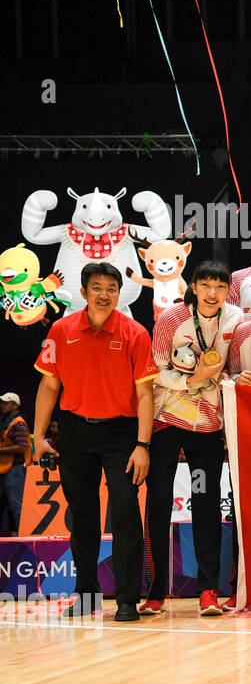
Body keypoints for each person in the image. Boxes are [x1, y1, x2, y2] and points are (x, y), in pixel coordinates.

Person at [31, 261, 158, 621]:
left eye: (112, 289)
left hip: (121, 433)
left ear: (119, 293)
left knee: (125, 515)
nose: (105, 295)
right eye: (97, 288)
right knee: (83, 517)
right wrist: (39, 436)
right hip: (75, 432)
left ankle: (128, 600)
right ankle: (86, 595)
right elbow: (49, 385)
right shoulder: (60, 329)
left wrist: (142, 445)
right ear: (84, 292)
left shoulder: (135, 333)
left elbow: (145, 394)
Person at [143, 261, 244, 616]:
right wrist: (191, 380)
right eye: (206, 285)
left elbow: (235, 367)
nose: (213, 293)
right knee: (158, 502)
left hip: (208, 429)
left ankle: (208, 591)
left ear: (227, 289)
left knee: (206, 503)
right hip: (166, 423)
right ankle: (155, 591)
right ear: (195, 287)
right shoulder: (171, 319)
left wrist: (226, 382)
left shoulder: (237, 319)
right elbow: (155, 370)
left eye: (220, 286)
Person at [0, 392, 30, 536]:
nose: (3, 405)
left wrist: (1, 450)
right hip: (3, 469)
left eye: (6, 402)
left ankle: (23, 538)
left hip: (15, 470)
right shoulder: (5, 421)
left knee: (16, 506)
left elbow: (22, 446)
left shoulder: (18, 422)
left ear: (15, 405)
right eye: (2, 403)